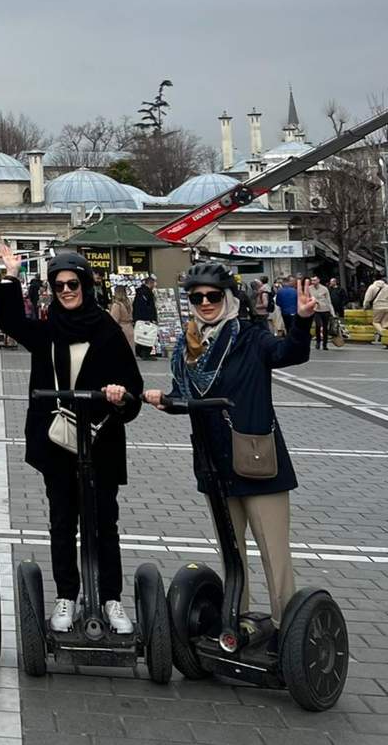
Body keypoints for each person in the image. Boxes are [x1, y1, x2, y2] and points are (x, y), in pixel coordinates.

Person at [144, 264, 315, 627]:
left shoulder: (250, 336)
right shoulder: (188, 346)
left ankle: (288, 631)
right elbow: (188, 396)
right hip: (213, 460)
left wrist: (301, 321)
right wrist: (166, 400)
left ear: (229, 297)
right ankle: (239, 622)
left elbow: (289, 353)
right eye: (197, 297)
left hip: (256, 458)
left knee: (274, 554)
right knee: (232, 553)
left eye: (213, 296)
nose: (205, 303)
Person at [0, 246, 143, 635]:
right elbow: (11, 321)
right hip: (58, 445)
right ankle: (67, 594)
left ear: (85, 285)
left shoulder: (107, 331)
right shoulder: (49, 331)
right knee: (63, 522)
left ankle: (110, 598)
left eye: (72, 284)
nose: (65, 291)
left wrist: (119, 394)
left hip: (100, 442)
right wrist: (11, 275)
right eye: (58, 285)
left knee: (103, 522)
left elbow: (134, 390)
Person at [132, 276, 158, 359]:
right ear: (150, 283)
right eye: (153, 283)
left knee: (141, 335)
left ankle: (140, 352)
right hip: (146, 318)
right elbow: (148, 307)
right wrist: (152, 318)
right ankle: (145, 354)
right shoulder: (146, 292)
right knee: (148, 335)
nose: (154, 285)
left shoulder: (140, 292)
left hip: (139, 318)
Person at [308, 275, 332, 350]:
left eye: (315, 280)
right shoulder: (309, 288)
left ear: (318, 280)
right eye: (312, 280)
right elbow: (307, 298)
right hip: (316, 310)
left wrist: (332, 311)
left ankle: (325, 344)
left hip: (325, 309)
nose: (313, 282)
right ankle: (318, 342)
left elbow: (329, 301)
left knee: (325, 327)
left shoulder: (324, 289)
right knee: (318, 325)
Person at [364, 274, 388, 346]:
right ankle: (386, 342)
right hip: (387, 307)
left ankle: (384, 335)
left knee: (376, 322)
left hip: (377, 307)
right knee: (385, 324)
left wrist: (365, 306)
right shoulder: (387, 287)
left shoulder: (372, 287)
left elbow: (367, 298)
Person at [108, 286, 135, 350]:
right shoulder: (128, 303)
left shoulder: (117, 305)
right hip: (130, 328)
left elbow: (114, 320)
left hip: (121, 329)